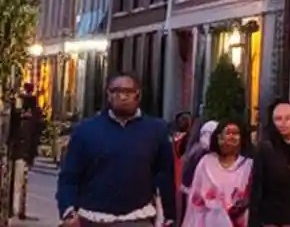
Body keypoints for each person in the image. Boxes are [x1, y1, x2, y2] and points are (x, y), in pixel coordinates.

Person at [55, 72, 177, 227]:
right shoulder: (86, 130)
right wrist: (68, 210)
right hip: (92, 217)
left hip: (138, 218)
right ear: (108, 95)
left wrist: (170, 215)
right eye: (116, 91)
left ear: (137, 95)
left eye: (128, 92)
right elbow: (69, 176)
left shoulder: (156, 130)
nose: (123, 97)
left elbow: (164, 176)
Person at [249, 100, 290, 227]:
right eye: (278, 119)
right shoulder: (265, 150)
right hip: (271, 220)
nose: (284, 123)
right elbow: (257, 190)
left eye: (288, 118)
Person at [183, 120, 253, 227]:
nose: (230, 137)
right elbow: (194, 203)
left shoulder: (249, 166)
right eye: (227, 133)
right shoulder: (205, 163)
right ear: (218, 138)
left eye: (235, 134)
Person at [10, 83, 44, 220]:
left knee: (20, 180)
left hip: (20, 150)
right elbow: (37, 132)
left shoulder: (20, 111)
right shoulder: (35, 111)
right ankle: (19, 208)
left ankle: (17, 208)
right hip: (24, 150)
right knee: (22, 180)